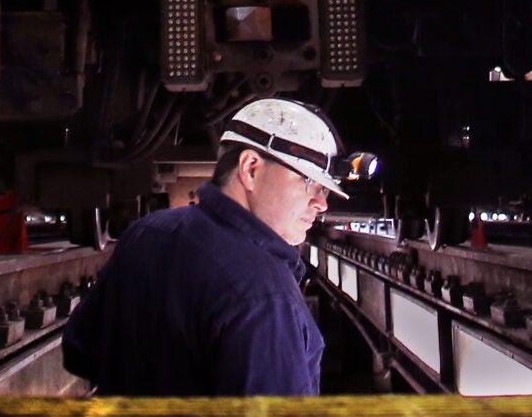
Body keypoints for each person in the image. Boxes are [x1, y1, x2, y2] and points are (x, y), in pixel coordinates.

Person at [61, 98, 348, 396]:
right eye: (308, 182)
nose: (322, 203)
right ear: (250, 168)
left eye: (324, 189)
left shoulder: (147, 232)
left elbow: (80, 349)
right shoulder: (265, 295)